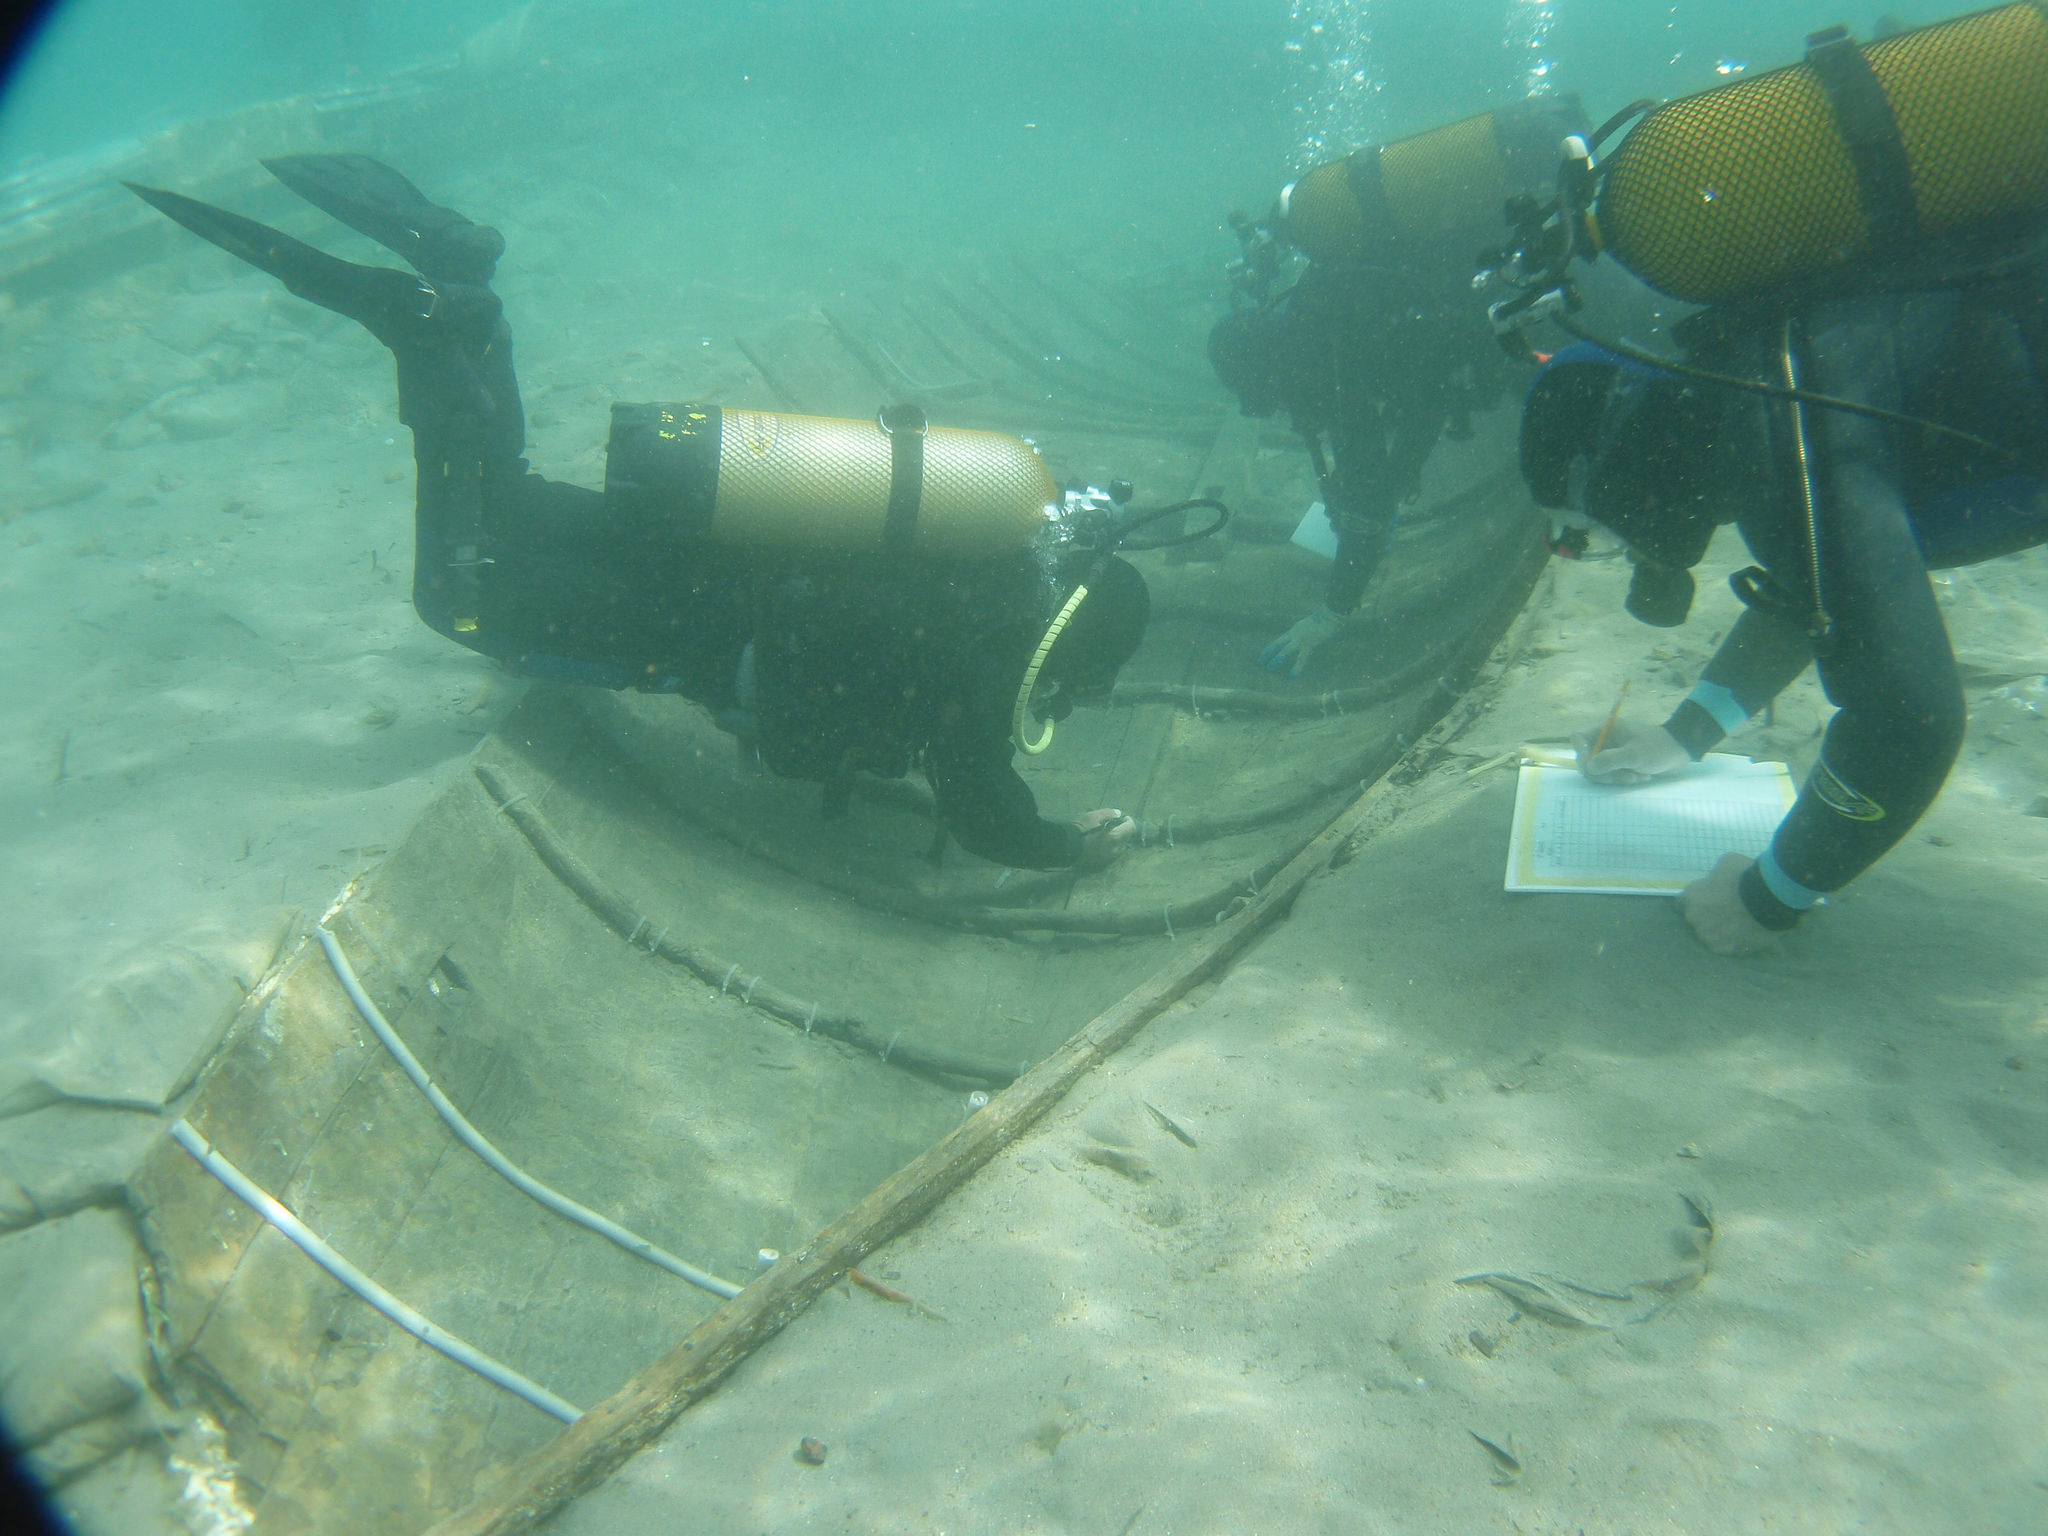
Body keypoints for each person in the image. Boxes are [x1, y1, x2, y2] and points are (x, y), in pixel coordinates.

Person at [129, 157, 1149, 872]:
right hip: (687, 628)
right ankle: (427, 332)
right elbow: (982, 815)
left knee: (514, 499)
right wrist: (1068, 844)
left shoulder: (987, 551)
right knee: (460, 599)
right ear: (1077, 651)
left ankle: (462, 284)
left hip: (705, 532)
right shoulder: (985, 671)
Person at [1519, 260, 2048, 953]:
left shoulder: (1782, 443)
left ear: (1619, 476)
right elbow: (1822, 589)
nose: (1632, 555)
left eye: (1596, 537)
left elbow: (1910, 723)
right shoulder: (1766, 386)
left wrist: (1771, 894)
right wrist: (1686, 734)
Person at [1209, 97, 1588, 674]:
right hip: (1491, 267)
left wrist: (1332, 613)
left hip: (1496, 318)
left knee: (1569, 382)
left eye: (1257, 393)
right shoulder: (1318, 296)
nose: (1270, 409)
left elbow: (1373, 482)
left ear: (1266, 368)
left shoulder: (1326, 361)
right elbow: (1411, 413)